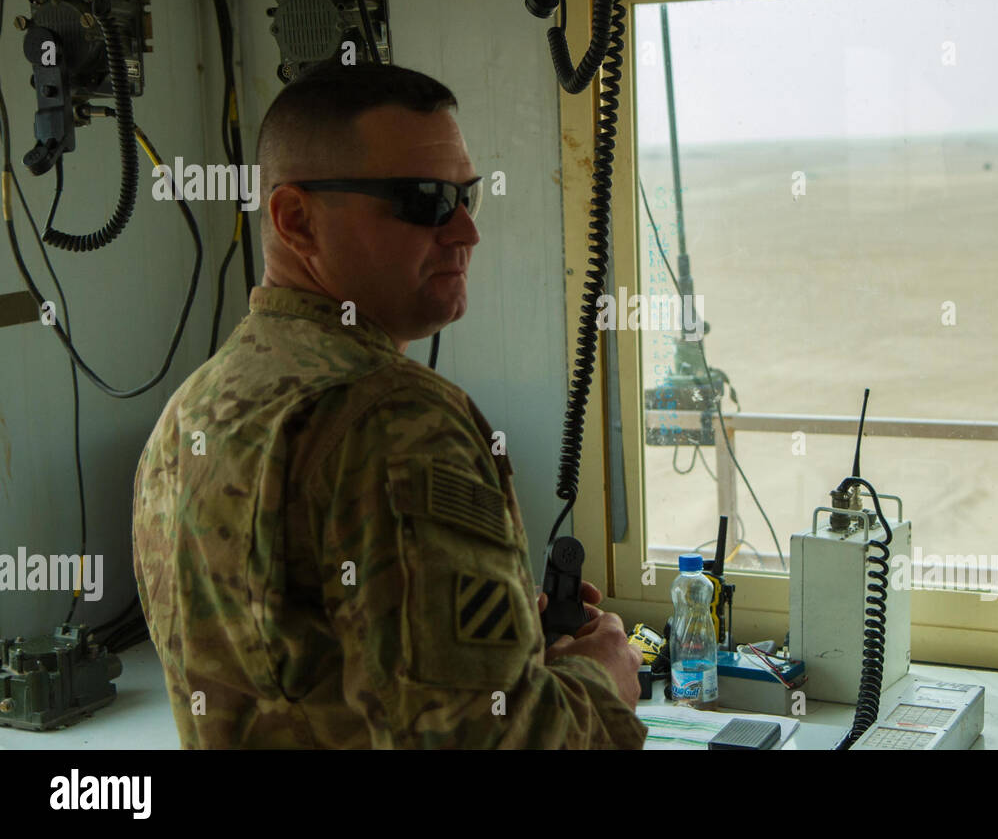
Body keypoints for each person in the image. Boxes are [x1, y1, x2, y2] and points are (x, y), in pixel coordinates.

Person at [132, 61, 646, 748]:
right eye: (425, 200)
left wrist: (512, 658)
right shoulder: (397, 419)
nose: (466, 233)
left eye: (469, 196)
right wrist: (602, 680)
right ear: (296, 220)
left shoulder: (195, 407)